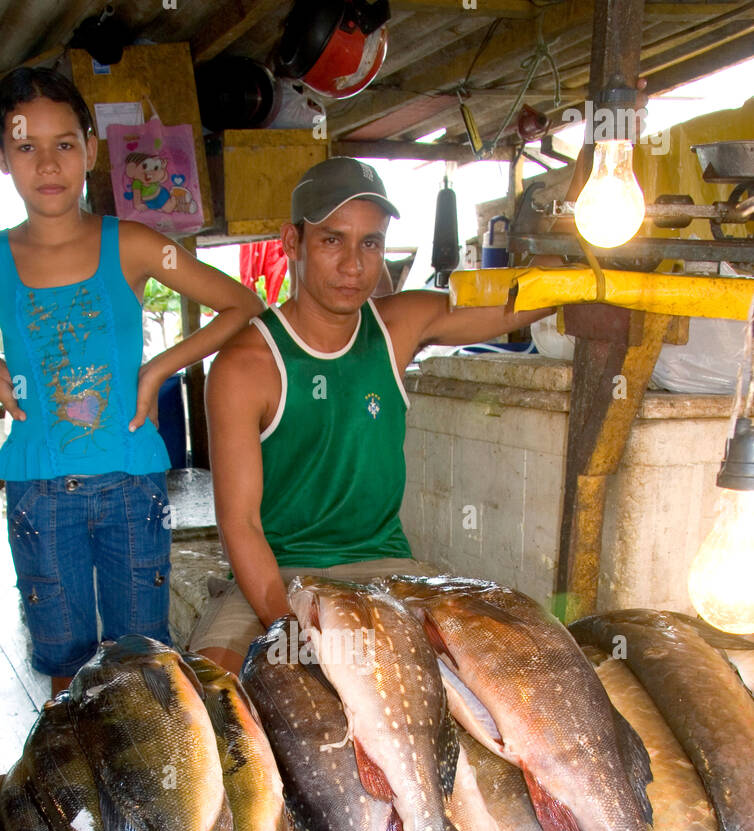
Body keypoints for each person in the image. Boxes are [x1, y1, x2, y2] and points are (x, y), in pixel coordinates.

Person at [0, 66, 261, 698]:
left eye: (64, 144)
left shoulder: (136, 244)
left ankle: (149, 786)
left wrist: (159, 368)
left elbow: (240, 303)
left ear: (90, 148)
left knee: (143, 658)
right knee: (64, 661)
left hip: (133, 482)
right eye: (26, 146)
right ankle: (75, 778)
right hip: (38, 487)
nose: (48, 163)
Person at [192, 157, 553, 675]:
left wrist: (589, 278)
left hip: (387, 569)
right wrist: (293, 632)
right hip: (275, 578)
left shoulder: (396, 326)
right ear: (292, 242)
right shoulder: (244, 366)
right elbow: (241, 525)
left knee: (499, 669)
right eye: (332, 240)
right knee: (212, 697)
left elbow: (512, 305)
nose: (354, 265)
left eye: (370, 243)